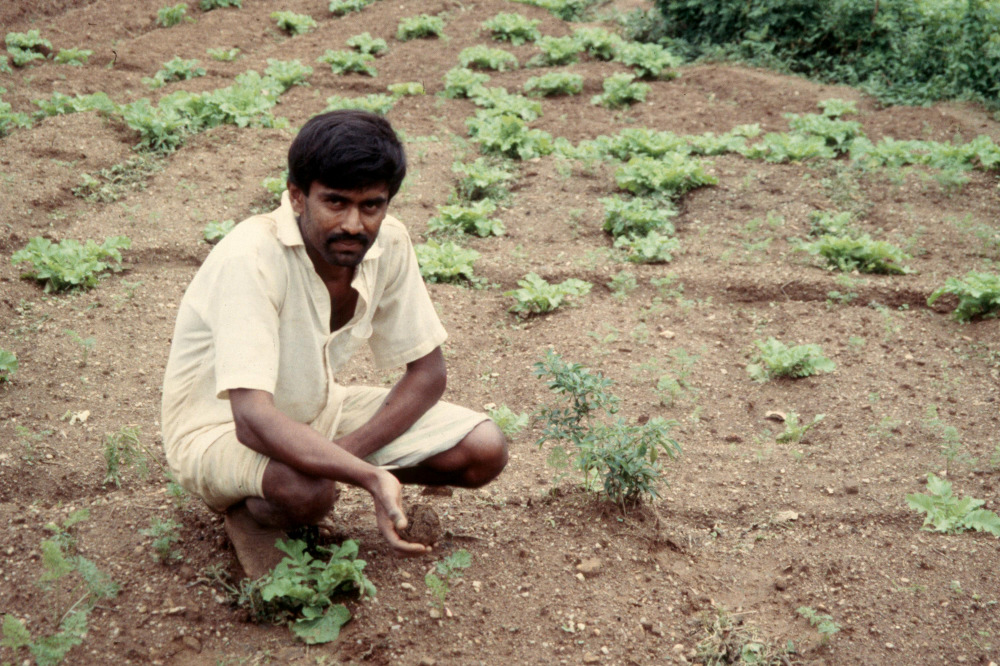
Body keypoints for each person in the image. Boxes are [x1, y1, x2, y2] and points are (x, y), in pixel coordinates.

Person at [161, 110, 508, 578]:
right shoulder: (251, 256)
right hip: (218, 431)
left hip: (319, 412)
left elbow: (428, 374)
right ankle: (254, 515)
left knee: (483, 447)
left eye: (371, 205)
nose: (353, 223)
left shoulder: (391, 244)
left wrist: (341, 456)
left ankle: (309, 471)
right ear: (298, 197)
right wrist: (365, 474)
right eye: (335, 202)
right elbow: (252, 420)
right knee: (308, 492)